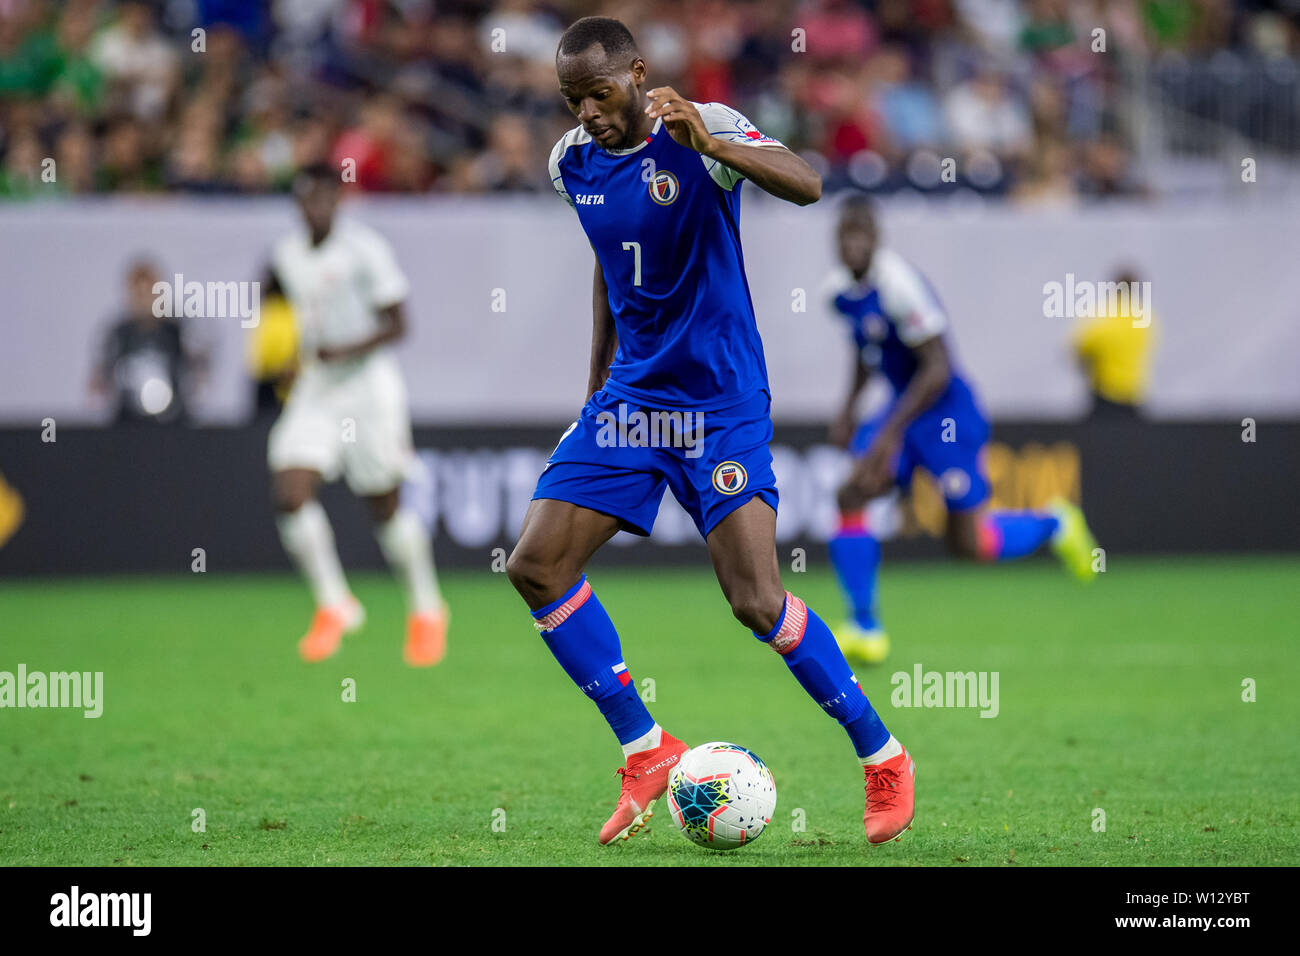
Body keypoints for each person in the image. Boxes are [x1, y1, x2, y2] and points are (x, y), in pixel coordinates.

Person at [505, 17, 915, 847]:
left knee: (757, 600)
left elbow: (806, 184)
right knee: (536, 566)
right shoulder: (569, 165)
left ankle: (883, 756)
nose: (585, 112)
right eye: (571, 99)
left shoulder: (704, 126)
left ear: (636, 74)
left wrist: (717, 147)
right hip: (631, 403)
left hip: (719, 403)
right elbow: (608, 262)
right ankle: (646, 746)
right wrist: (595, 392)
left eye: (599, 93)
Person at [825, 196, 1099, 665]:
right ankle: (865, 626)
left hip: (947, 415)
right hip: (902, 412)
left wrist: (889, 433)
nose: (852, 244)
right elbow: (866, 351)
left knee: (968, 546)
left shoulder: (900, 286)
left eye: (861, 235)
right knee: (852, 493)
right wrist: (849, 407)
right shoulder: (838, 293)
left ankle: (1055, 522)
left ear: (876, 240)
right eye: (845, 236)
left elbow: (937, 368)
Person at [267, 163, 448, 666]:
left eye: (324, 197)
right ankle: (335, 603)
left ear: (337, 200)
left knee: (383, 506)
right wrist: (291, 358)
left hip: (369, 389)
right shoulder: (287, 255)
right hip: (318, 388)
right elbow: (307, 318)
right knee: (289, 493)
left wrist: (344, 350)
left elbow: (398, 325)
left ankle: (427, 610)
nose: (315, 207)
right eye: (306, 199)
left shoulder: (365, 250)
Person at [91, 258, 196, 425]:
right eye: (138, 293)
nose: (144, 299)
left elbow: (195, 372)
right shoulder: (119, 334)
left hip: (172, 422)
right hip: (128, 424)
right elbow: (99, 380)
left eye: (149, 292)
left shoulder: (176, 331)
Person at [1071, 268, 1157, 421]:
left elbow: (1079, 348)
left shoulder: (1104, 318)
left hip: (1105, 396)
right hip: (1133, 396)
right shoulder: (1146, 321)